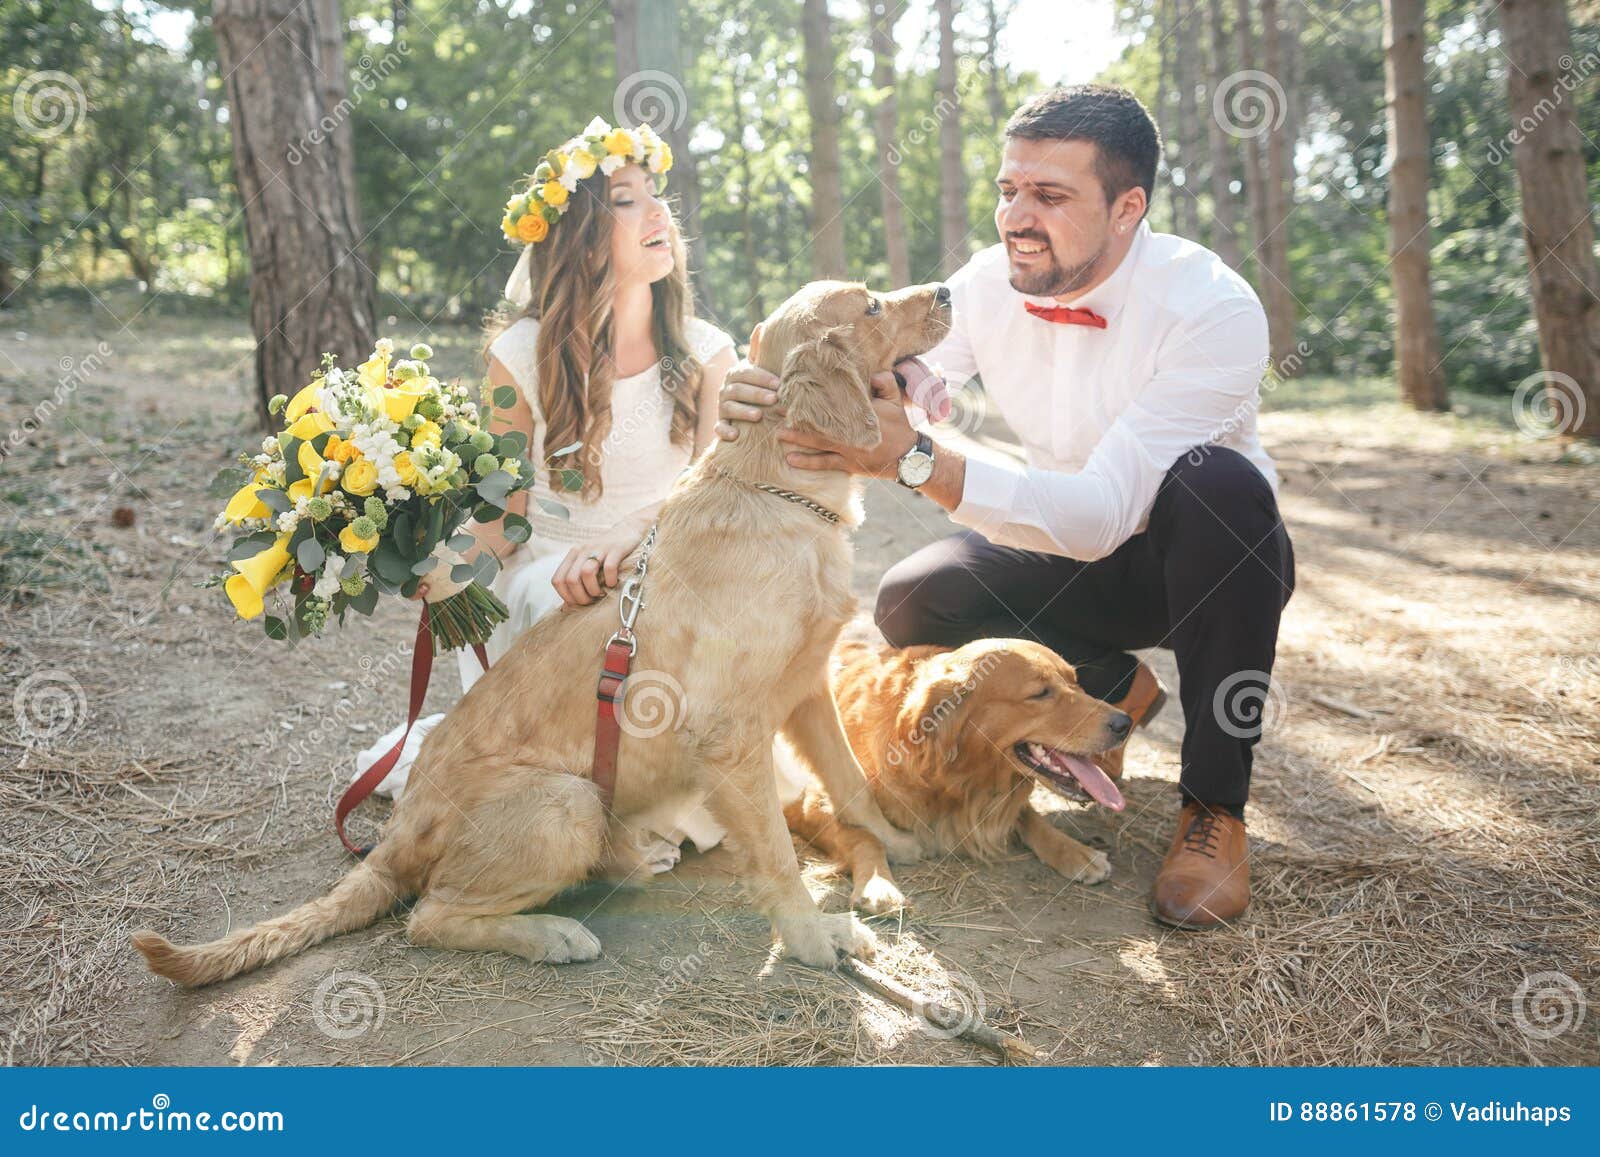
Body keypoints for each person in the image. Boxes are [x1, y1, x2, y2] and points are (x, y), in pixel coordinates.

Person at [715, 85, 1295, 930]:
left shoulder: (1214, 308)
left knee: (1222, 487)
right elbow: (896, 366)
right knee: (914, 596)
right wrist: (771, 379)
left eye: (1050, 196)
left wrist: (916, 459)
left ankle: (1213, 810)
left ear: (1128, 208)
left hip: (1198, 561)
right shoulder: (991, 281)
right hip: (1069, 545)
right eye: (1007, 190)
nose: (1016, 217)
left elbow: (1101, 512)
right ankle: (1106, 688)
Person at [354, 116, 736, 801]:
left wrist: (634, 535)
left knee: (668, 612)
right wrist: (446, 560)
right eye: (625, 199)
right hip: (551, 571)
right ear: (582, 239)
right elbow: (506, 517)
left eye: (656, 194)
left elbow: (715, 494)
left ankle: (639, 781)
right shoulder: (523, 354)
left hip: (669, 559)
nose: (657, 212)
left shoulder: (709, 353)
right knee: (560, 601)